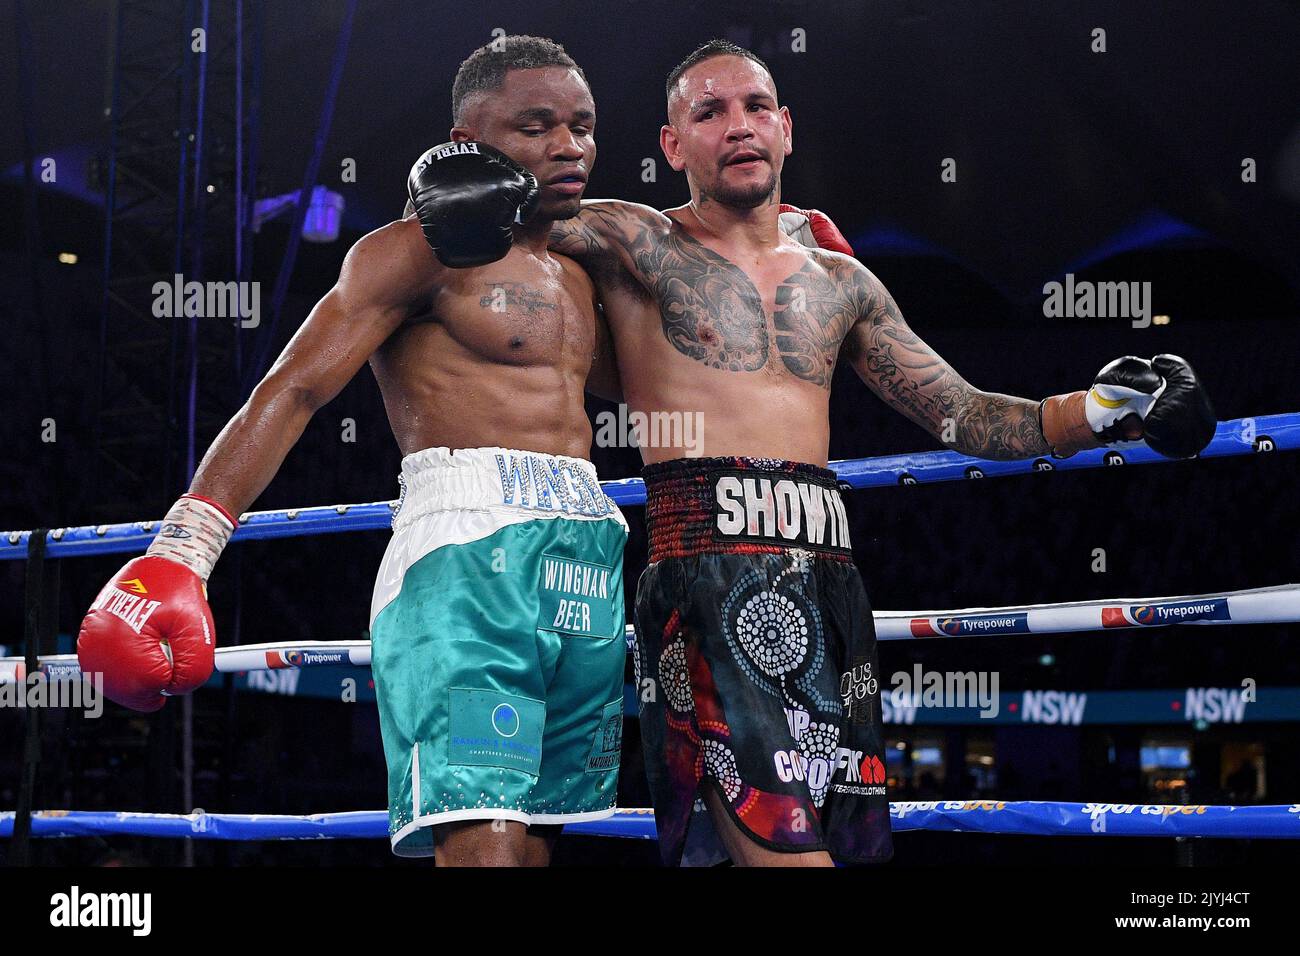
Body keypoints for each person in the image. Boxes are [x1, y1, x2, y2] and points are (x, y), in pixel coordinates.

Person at [541, 39, 1217, 866]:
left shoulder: (842, 282)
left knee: (824, 849)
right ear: (673, 146)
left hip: (831, 582)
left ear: (786, 128)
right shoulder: (632, 240)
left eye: (756, 107)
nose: (739, 126)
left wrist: (1107, 410)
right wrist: (459, 168)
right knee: (785, 855)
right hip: (708, 574)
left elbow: (964, 415)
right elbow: (493, 217)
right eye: (708, 112)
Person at [77, 35, 629, 868]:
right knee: (482, 835)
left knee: (541, 838)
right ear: (471, 142)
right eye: (537, 126)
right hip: (470, 561)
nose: (568, 146)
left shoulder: (589, 266)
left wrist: (781, 241)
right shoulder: (414, 252)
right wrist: (184, 551)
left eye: (582, 126)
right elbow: (292, 389)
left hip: (586, 552)